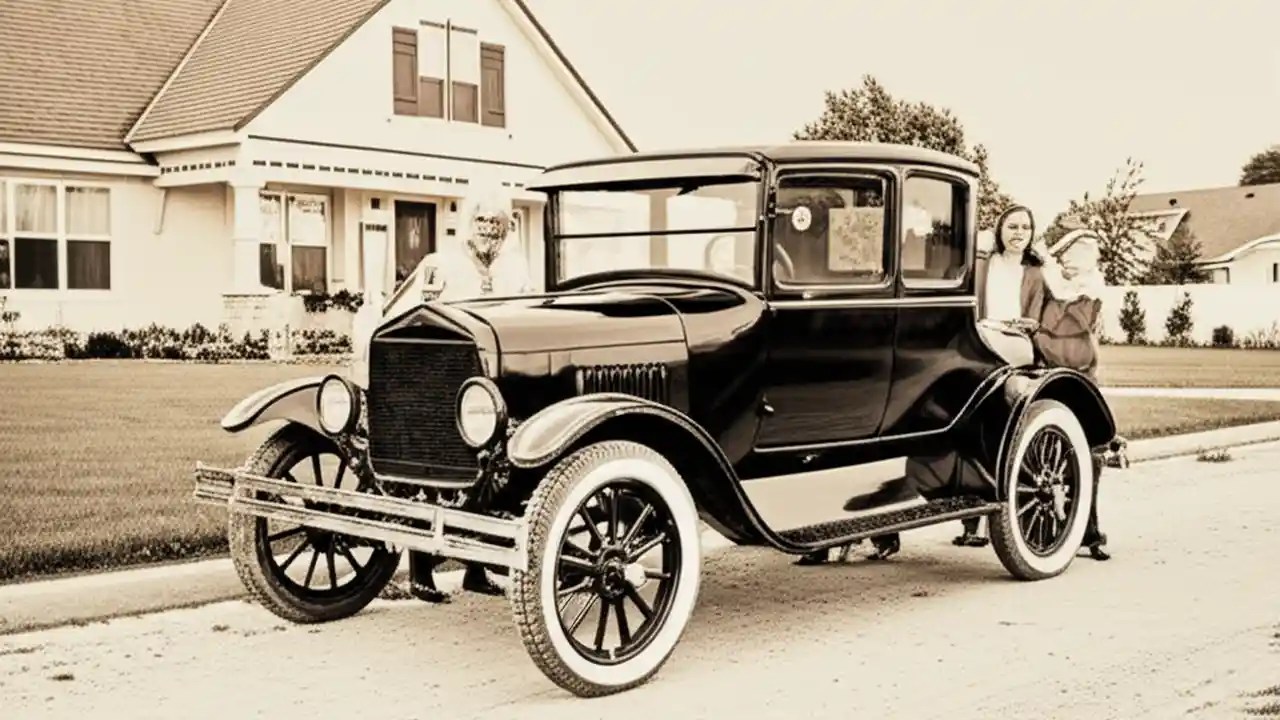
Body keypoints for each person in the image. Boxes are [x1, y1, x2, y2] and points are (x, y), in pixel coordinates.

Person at [407, 185, 537, 603]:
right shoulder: (439, 264)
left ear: (507, 227)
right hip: (446, 379)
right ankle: (421, 570)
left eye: (496, 222)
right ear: (468, 223)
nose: (489, 230)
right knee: (434, 475)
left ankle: (476, 570)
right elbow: (416, 315)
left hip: (495, 383)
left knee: (490, 475)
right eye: (482, 221)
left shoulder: (517, 268)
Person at [952, 204, 1046, 548]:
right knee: (968, 430)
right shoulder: (981, 266)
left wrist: (1022, 325)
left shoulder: (1035, 273)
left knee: (998, 428)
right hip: (982, 343)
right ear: (1000, 230)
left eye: (1025, 227)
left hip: (1016, 347)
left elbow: (1035, 321)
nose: (1019, 233)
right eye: (1012, 226)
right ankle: (969, 523)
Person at [1026, 227, 1112, 561]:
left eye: (1089, 250)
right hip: (1048, 368)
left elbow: (1079, 324)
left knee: (1087, 453)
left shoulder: (1089, 286)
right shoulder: (1046, 278)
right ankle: (1051, 528)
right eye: (1079, 249)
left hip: (1079, 371)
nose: (1087, 255)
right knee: (1048, 453)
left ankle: (1088, 528)